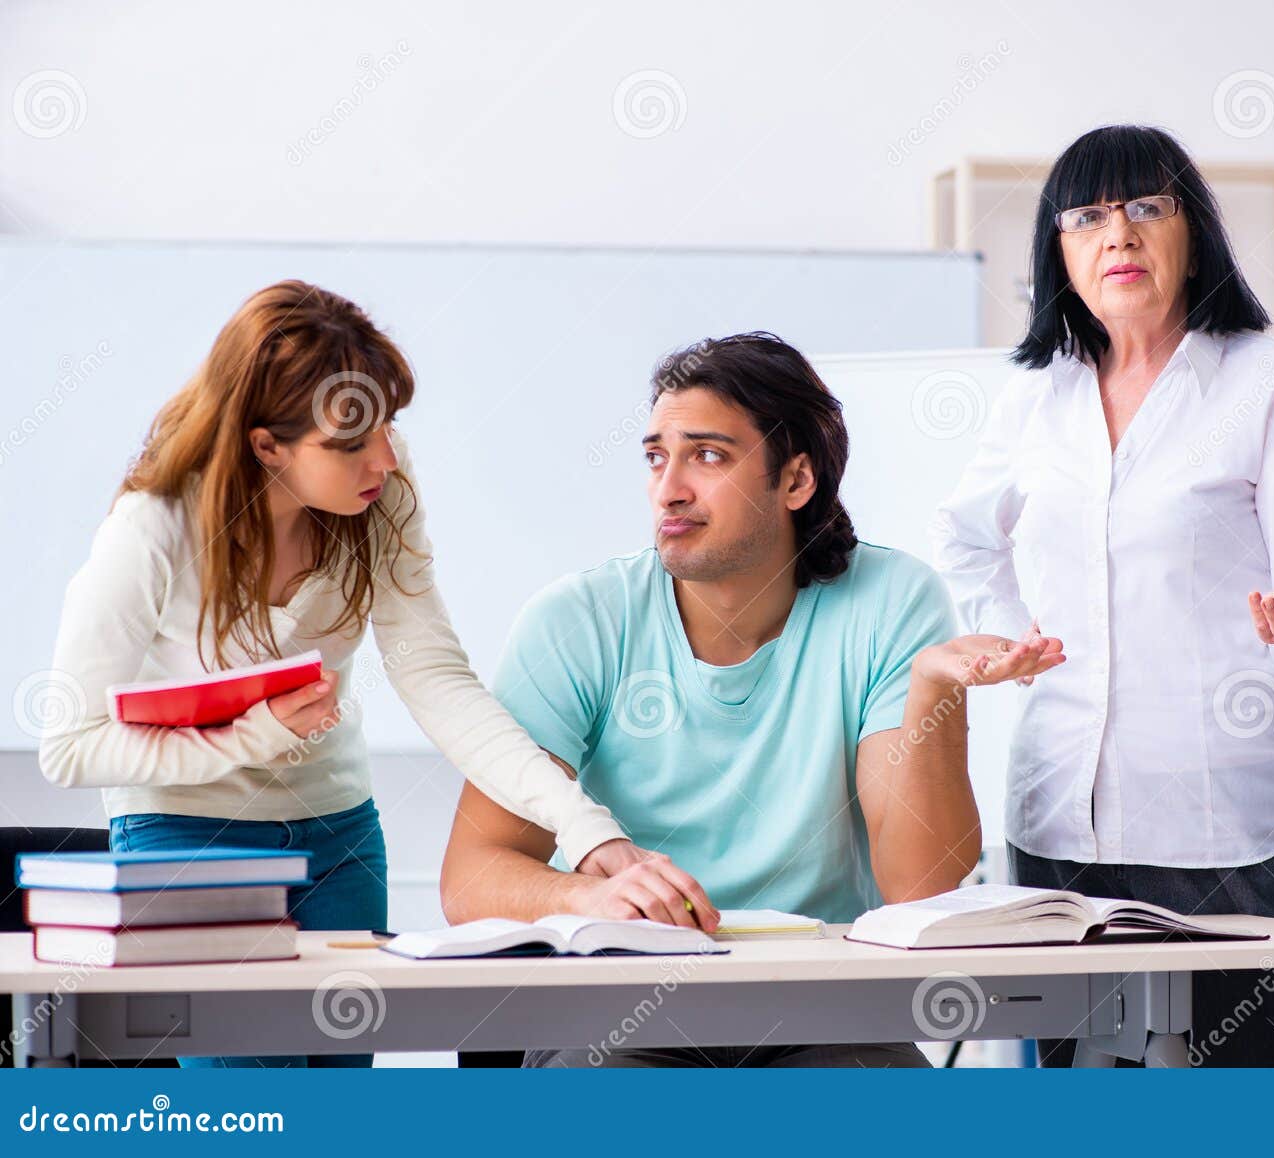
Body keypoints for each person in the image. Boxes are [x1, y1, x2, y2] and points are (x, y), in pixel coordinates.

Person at [39, 280, 663, 1067]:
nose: (383, 458)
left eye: (388, 426)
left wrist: (585, 829)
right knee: (260, 1112)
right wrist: (253, 737)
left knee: (339, 1107)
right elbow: (69, 747)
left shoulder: (385, 492)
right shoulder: (155, 529)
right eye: (347, 444)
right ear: (267, 444)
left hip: (339, 838)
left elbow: (438, 681)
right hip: (184, 840)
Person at [439, 332, 1062, 1068]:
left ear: (795, 481)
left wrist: (930, 692)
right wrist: (588, 900)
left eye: (706, 455)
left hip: (822, 1013)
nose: (668, 487)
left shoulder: (892, 601)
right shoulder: (577, 620)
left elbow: (918, 887)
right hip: (621, 1009)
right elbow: (472, 875)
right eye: (655, 456)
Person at [932, 125, 1274, 1067]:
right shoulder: (1034, 398)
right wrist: (1013, 641)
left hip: (1223, 826)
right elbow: (966, 541)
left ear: (1192, 232)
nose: (1116, 236)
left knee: (1249, 1110)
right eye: (1086, 218)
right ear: (1059, 254)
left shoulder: (1271, 384)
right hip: (1059, 819)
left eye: (1144, 209)